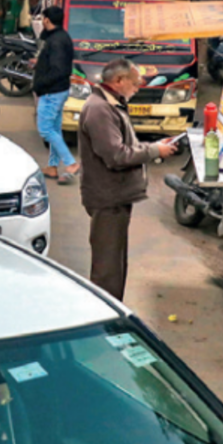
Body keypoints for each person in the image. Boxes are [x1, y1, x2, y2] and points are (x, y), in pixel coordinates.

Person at [79, 59, 178, 301]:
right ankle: (105, 321)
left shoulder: (111, 105)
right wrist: (154, 152)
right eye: (134, 83)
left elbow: (126, 146)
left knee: (114, 263)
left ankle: (111, 314)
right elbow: (116, 155)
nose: (139, 86)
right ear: (118, 81)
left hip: (115, 196)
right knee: (107, 269)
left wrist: (153, 146)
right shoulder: (100, 109)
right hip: (107, 197)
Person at [34, 6, 79, 185]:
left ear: (46, 20)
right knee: (55, 130)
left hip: (51, 92)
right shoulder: (59, 37)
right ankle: (52, 167)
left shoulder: (57, 41)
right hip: (58, 90)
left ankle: (71, 163)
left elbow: (59, 69)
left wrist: (40, 83)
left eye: (43, 19)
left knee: (45, 129)